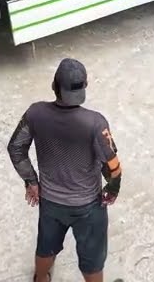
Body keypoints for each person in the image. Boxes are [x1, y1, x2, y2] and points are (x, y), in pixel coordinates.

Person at [7, 59, 122, 282]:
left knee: (46, 247)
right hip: (88, 206)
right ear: (85, 86)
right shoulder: (95, 123)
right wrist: (112, 190)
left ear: (54, 86)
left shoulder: (35, 113)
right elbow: (112, 165)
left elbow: (16, 147)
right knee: (92, 259)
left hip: (50, 201)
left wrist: (31, 181)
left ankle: (41, 278)